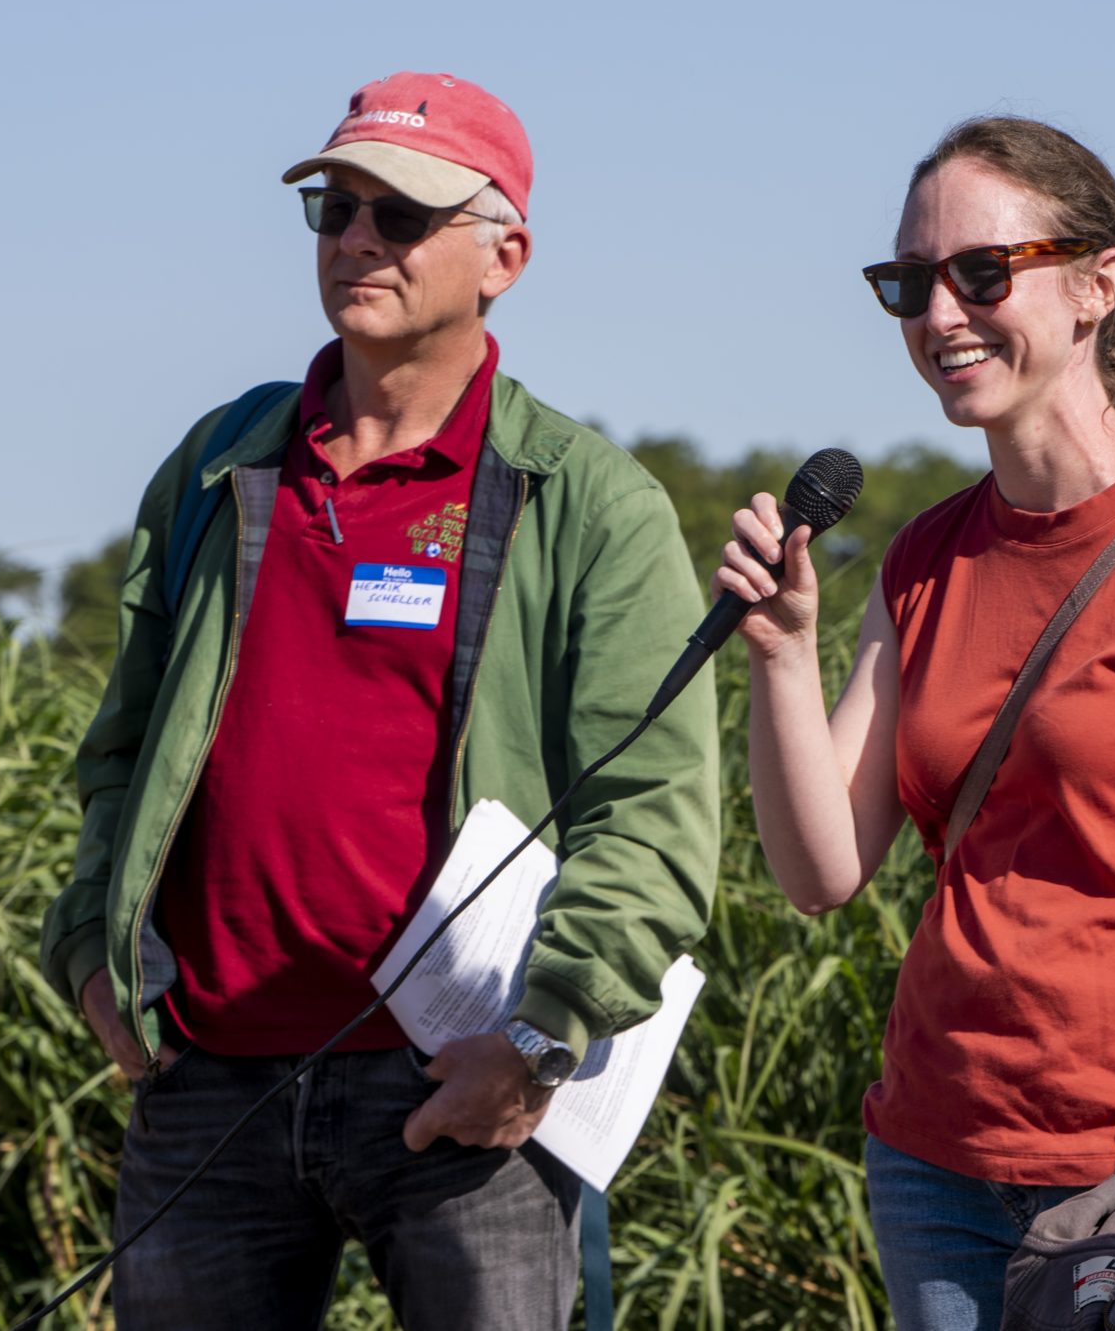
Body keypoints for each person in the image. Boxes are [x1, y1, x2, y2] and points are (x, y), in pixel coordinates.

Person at [38, 71, 719, 1330]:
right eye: (336, 208)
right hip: (207, 1073)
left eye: (400, 216)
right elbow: (118, 748)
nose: (356, 238)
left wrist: (541, 1037)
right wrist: (91, 947)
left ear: (503, 253)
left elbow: (652, 812)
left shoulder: (587, 499)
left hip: (461, 1087)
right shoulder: (215, 463)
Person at [716, 116, 1115, 1328]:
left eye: (980, 274)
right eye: (908, 283)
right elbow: (820, 869)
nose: (938, 314)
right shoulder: (924, 555)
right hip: (934, 1155)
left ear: (1100, 284)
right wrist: (782, 656)